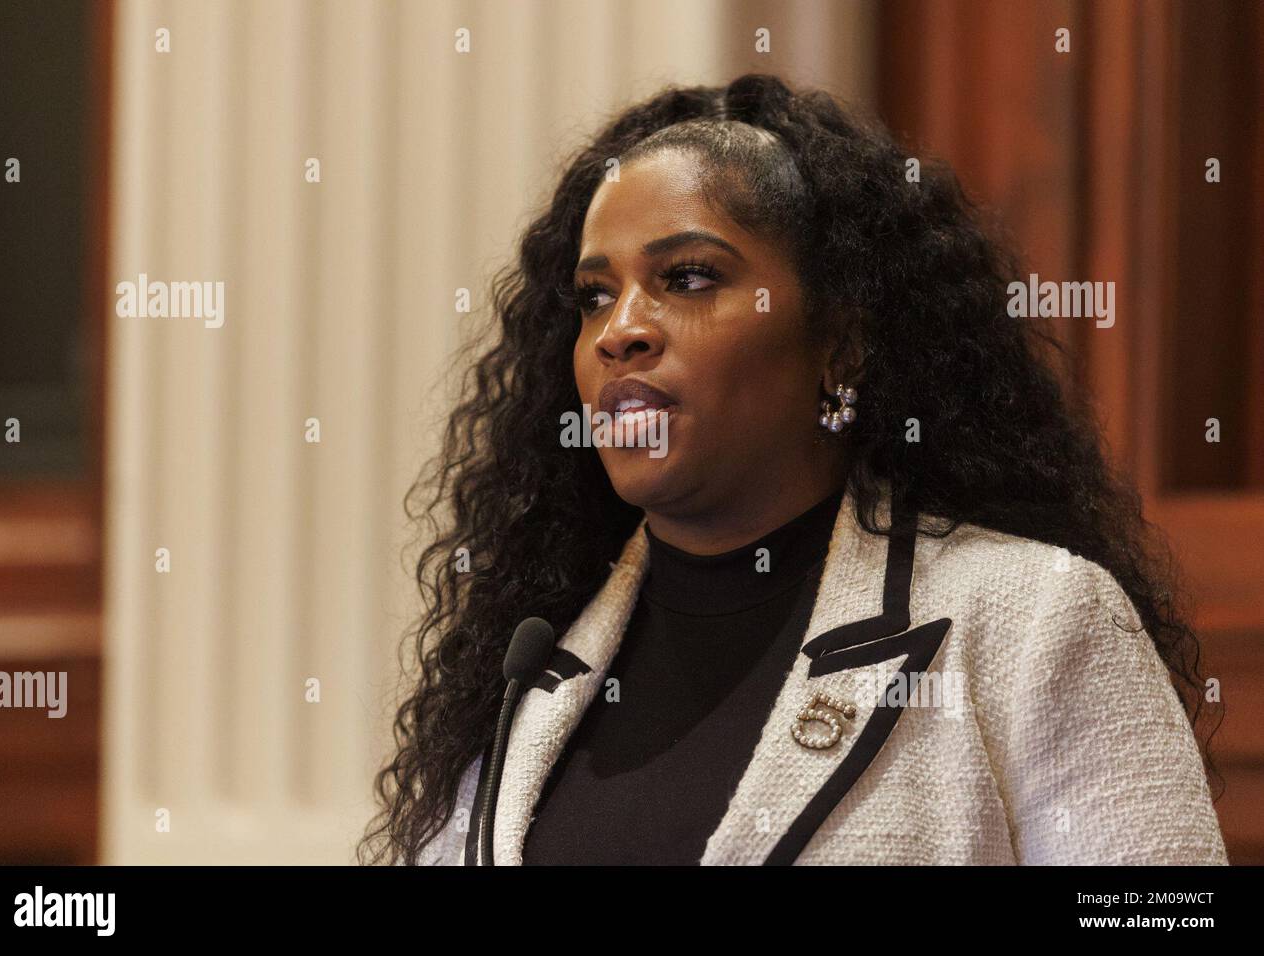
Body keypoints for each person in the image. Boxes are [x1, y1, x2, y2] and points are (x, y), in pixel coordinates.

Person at [359, 74, 1227, 866]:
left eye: (689, 277)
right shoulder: (527, 679)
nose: (621, 328)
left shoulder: (1032, 621)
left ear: (840, 343)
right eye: (594, 296)